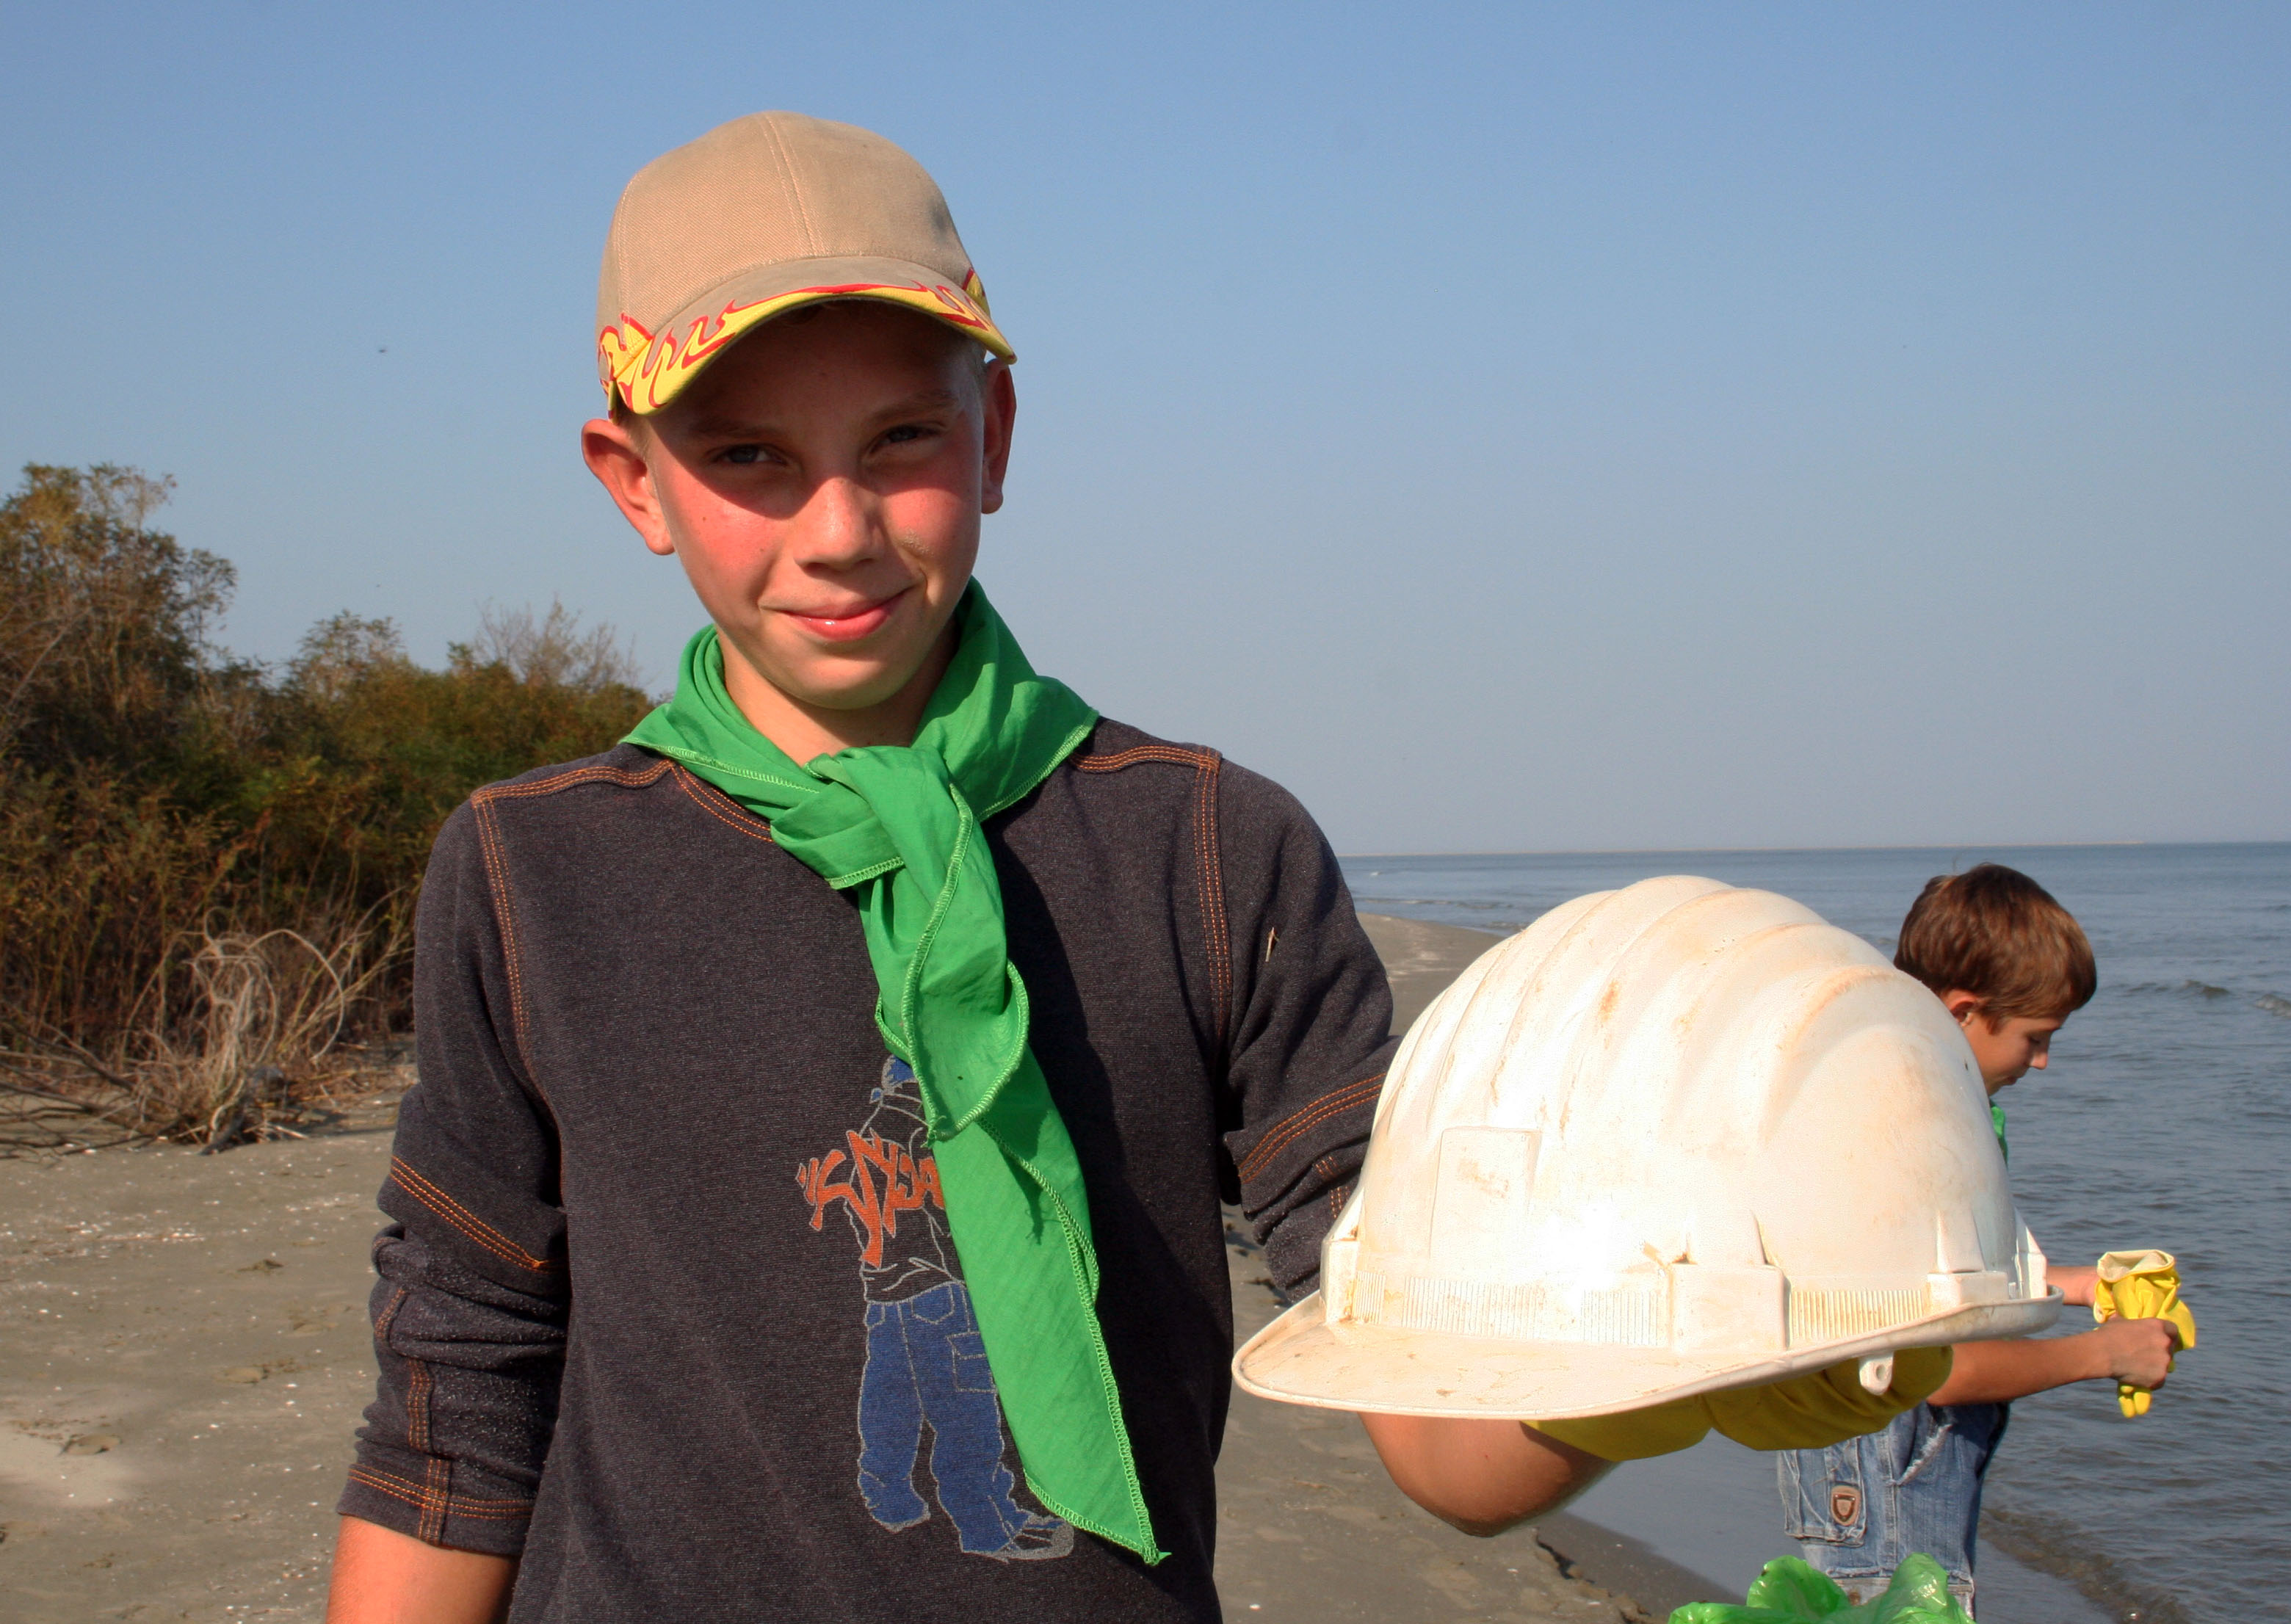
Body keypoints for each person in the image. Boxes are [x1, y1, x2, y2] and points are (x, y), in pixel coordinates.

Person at [319, 111, 1624, 1624]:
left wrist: (1668, 1364)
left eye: (901, 440)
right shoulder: (529, 870)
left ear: (994, 434)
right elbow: (456, 1393)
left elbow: (1434, 1400)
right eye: (749, 456)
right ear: (635, 478)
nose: (840, 528)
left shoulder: (1207, 850)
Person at [1776, 863, 2185, 1614]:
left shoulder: (1894, 1092)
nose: (2042, 1060)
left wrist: (2079, 1284)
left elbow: (1951, 1278)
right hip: (1888, 1469)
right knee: (1912, 1601)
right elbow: (1938, 1366)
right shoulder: (1918, 1137)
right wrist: (2104, 1353)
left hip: (1858, 1460)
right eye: (2035, 1036)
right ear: (1965, 1010)